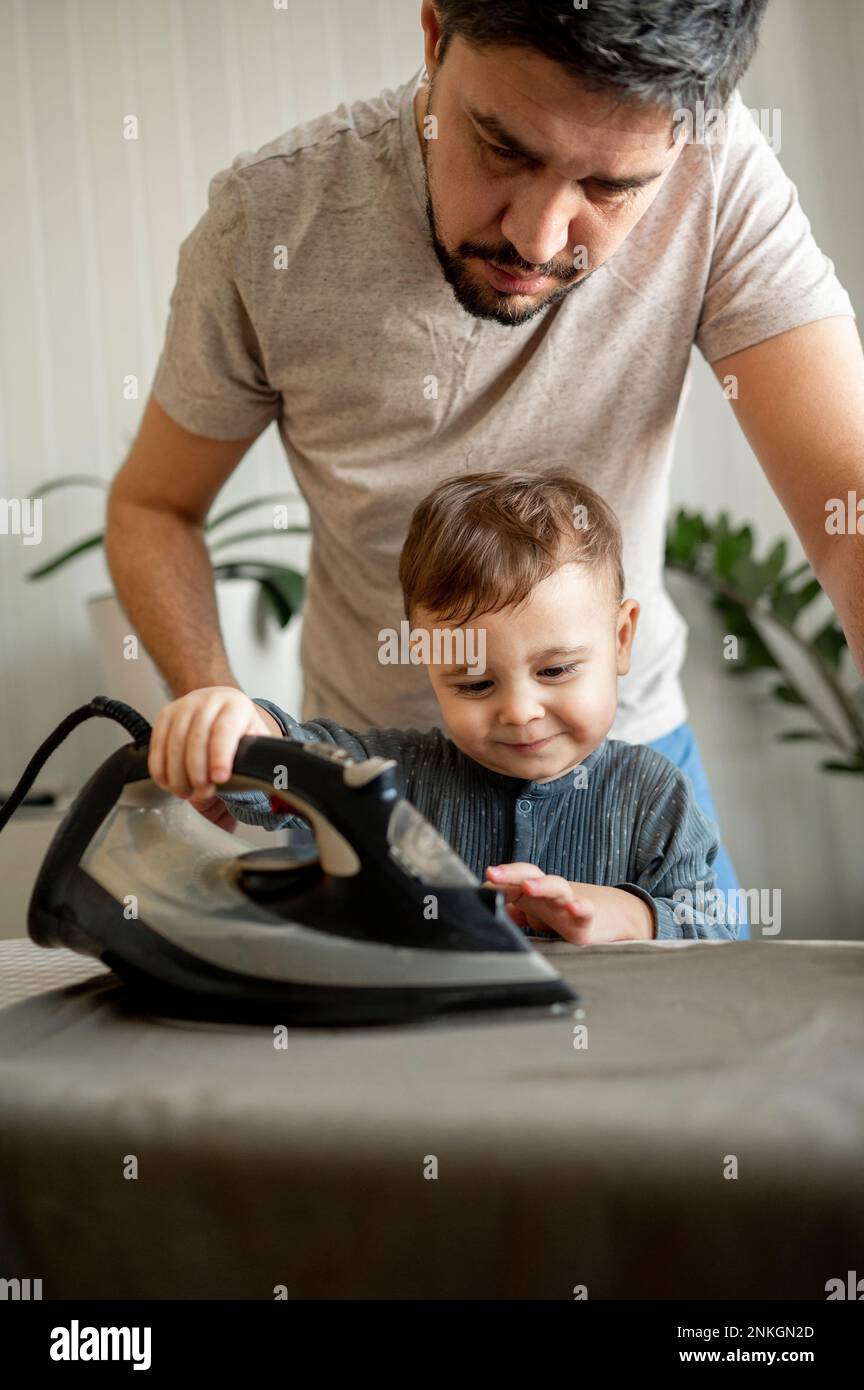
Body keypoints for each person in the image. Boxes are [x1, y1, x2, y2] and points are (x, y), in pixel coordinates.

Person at [109, 1, 864, 944]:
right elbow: (154, 506)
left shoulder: (719, 172)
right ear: (434, 33)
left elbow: (851, 512)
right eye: (503, 149)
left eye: (613, 186)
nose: (540, 240)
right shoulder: (268, 222)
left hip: (628, 746)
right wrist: (224, 721)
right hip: (367, 784)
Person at [147, 472, 739, 944]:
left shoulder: (657, 795)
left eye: (555, 671)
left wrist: (616, 916)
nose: (520, 711)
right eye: (476, 685)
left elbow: (716, 933)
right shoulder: (389, 777)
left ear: (621, 640)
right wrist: (236, 724)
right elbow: (282, 773)